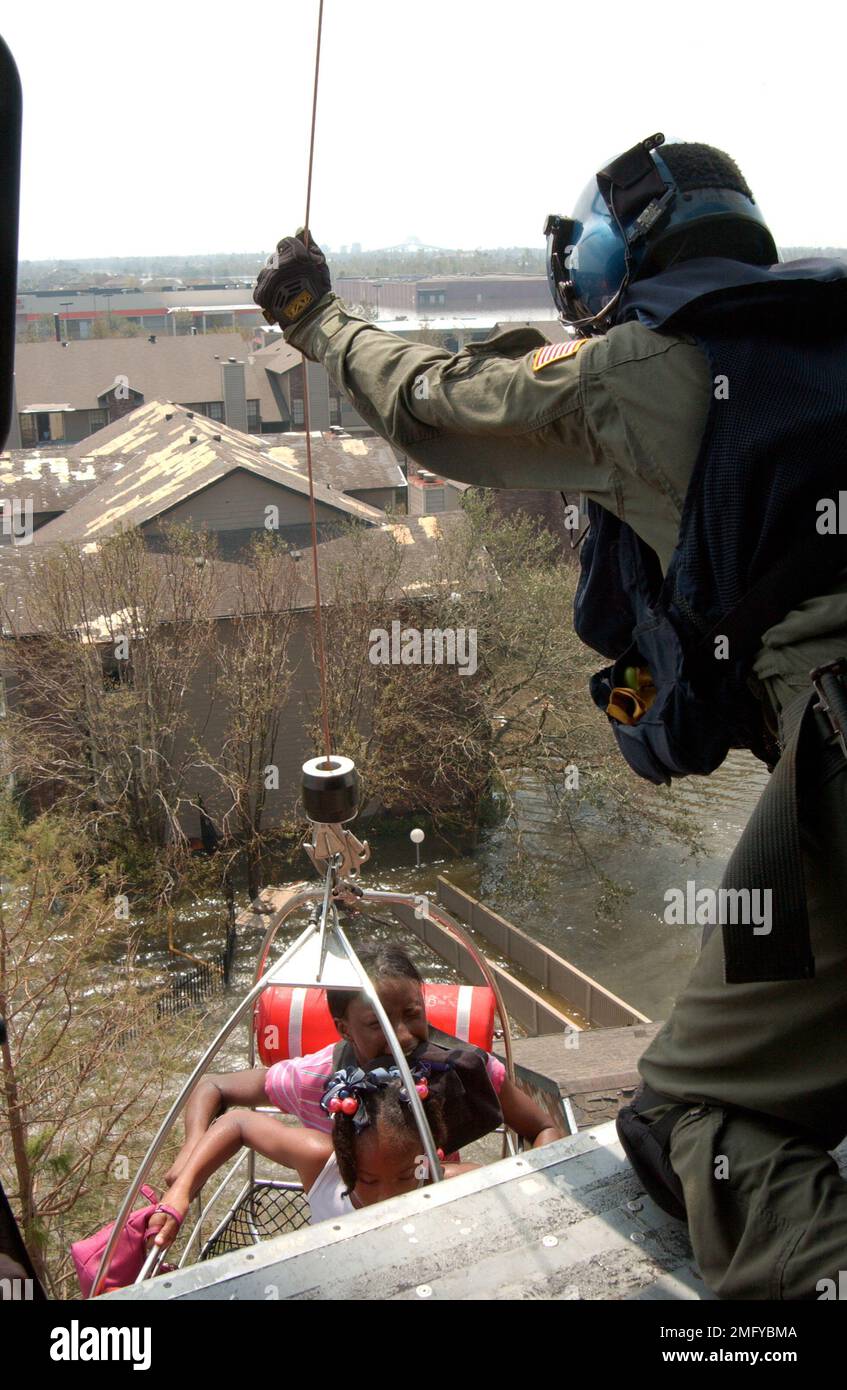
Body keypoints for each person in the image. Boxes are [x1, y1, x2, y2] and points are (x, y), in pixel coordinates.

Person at [252, 135, 847, 1300]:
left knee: (696, 1113)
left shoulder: (637, 372)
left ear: (621, 254)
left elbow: (431, 407)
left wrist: (319, 319)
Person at [164, 943, 561, 1188]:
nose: (403, 1036)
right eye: (378, 1025)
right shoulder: (316, 1078)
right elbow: (214, 1086)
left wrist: (523, 1183)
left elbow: (543, 1127)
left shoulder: (464, 1070)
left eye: (412, 1014)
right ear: (344, 1029)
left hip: (436, 1204)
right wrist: (189, 1153)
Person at [149, 1063, 478, 1247]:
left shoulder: (445, 1184)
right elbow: (237, 1123)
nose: (386, 1196)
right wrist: (181, 1189)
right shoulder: (324, 1168)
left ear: (426, 1160)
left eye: (405, 1176)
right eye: (368, 1179)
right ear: (344, 1159)